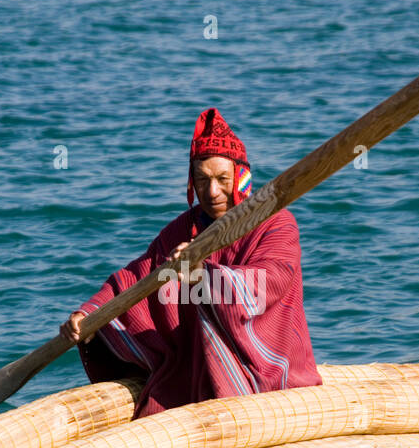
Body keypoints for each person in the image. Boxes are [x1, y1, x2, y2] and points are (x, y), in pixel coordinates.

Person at [60, 107, 323, 419]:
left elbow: (272, 280)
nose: (212, 192)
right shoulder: (183, 230)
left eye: (222, 179)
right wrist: (91, 315)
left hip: (272, 372)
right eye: (202, 179)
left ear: (241, 176)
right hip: (195, 367)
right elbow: (135, 279)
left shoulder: (276, 223)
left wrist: (203, 277)